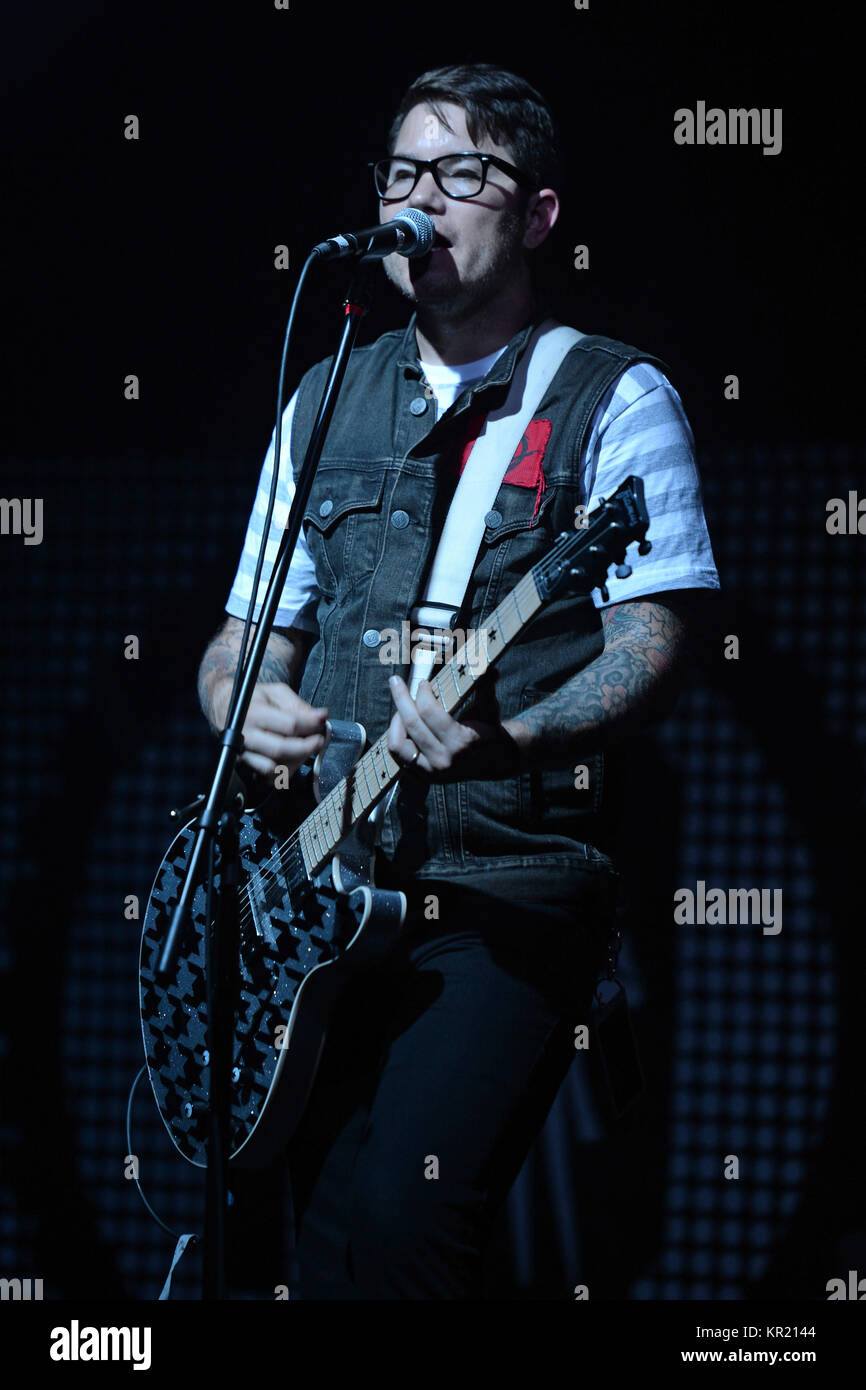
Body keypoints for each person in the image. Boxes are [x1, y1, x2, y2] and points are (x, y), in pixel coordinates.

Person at [196, 63, 719, 1299]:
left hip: (507, 893)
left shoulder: (614, 397)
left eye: (463, 173)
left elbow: (656, 640)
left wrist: (517, 729)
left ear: (535, 214)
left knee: (405, 1225)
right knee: (312, 1245)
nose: (423, 200)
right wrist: (240, 703)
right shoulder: (323, 399)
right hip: (322, 895)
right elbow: (240, 643)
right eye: (402, 173)